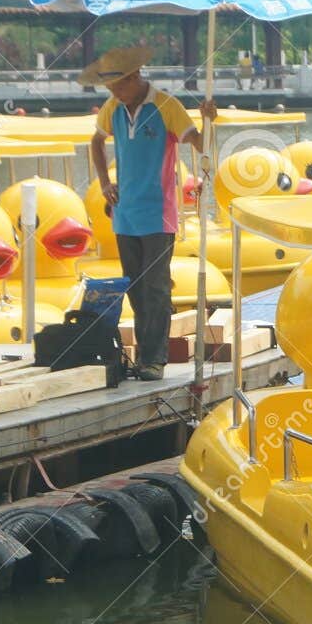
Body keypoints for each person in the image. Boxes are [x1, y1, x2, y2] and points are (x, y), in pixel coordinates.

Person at [84, 46, 216, 380]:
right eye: (111, 90)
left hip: (159, 212)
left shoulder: (166, 106)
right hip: (125, 212)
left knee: (156, 286)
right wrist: (103, 182)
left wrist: (208, 121)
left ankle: (154, 359)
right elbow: (96, 142)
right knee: (136, 285)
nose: (115, 94)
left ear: (134, 78)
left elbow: (199, 143)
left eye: (119, 87)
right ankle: (144, 354)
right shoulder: (113, 108)